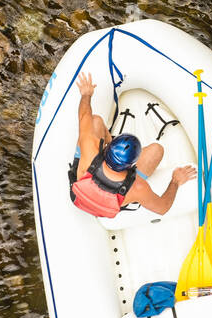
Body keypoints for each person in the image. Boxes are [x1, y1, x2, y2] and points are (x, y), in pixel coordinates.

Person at [70, 73, 195, 218]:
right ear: (131, 165)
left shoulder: (89, 148)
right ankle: (111, 140)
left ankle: (109, 139)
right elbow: (162, 208)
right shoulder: (137, 188)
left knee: (95, 120)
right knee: (157, 150)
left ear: (107, 150)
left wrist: (86, 94)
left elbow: (84, 115)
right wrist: (175, 181)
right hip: (110, 204)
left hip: (79, 196)